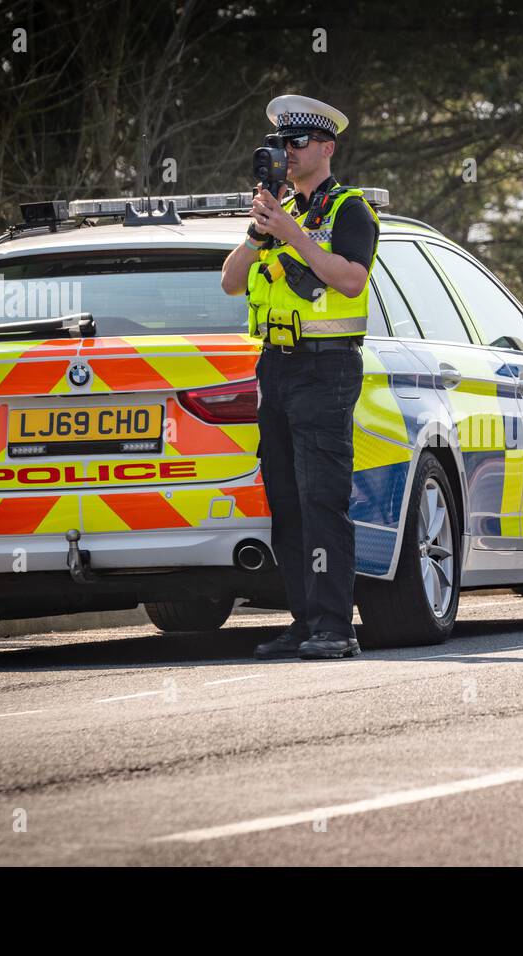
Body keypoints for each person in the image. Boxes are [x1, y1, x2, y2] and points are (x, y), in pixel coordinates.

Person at [220, 94, 379, 660]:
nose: (287, 152)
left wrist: (291, 233)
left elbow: (351, 279)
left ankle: (337, 626)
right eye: (282, 143)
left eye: (298, 143)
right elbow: (231, 283)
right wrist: (259, 232)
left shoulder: (349, 209)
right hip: (276, 366)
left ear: (326, 148)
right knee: (285, 500)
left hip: (327, 365)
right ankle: (303, 620)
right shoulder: (279, 215)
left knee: (322, 499)